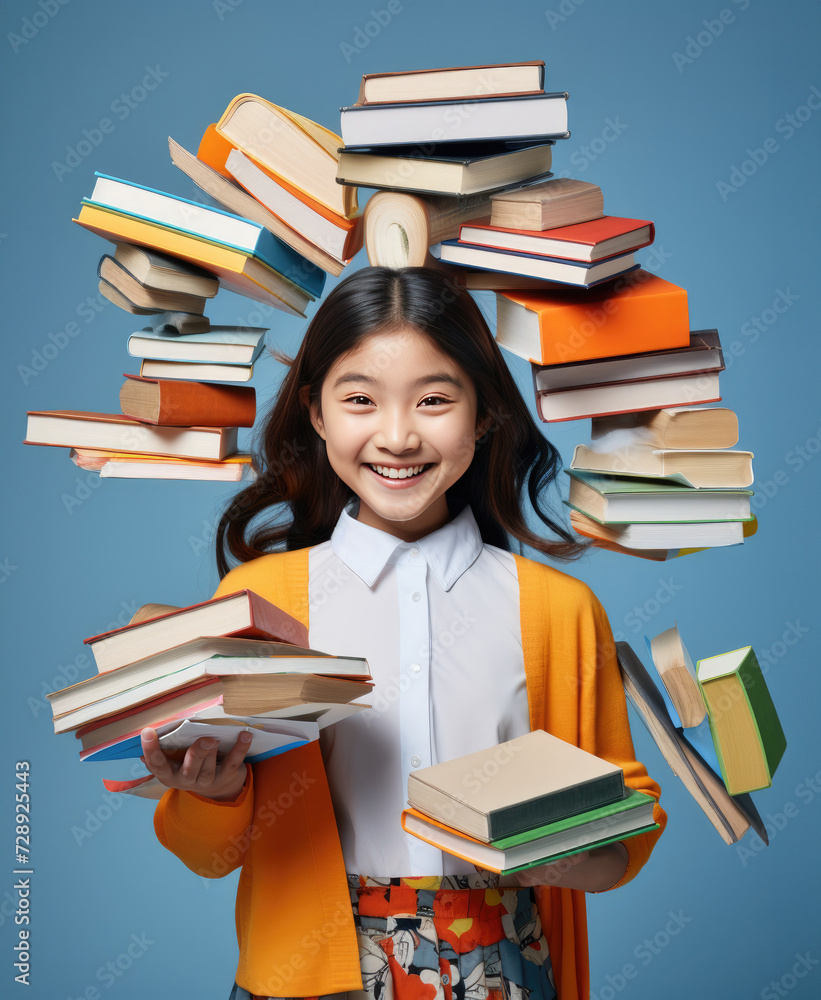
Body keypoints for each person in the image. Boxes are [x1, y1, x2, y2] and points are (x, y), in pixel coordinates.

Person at [140, 266, 666, 1000]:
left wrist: (553, 853)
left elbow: (618, 844)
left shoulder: (558, 611)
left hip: (501, 960)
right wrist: (214, 792)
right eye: (359, 399)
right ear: (316, 414)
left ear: (482, 414)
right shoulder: (258, 602)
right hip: (307, 964)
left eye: (433, 399)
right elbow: (208, 855)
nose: (396, 435)